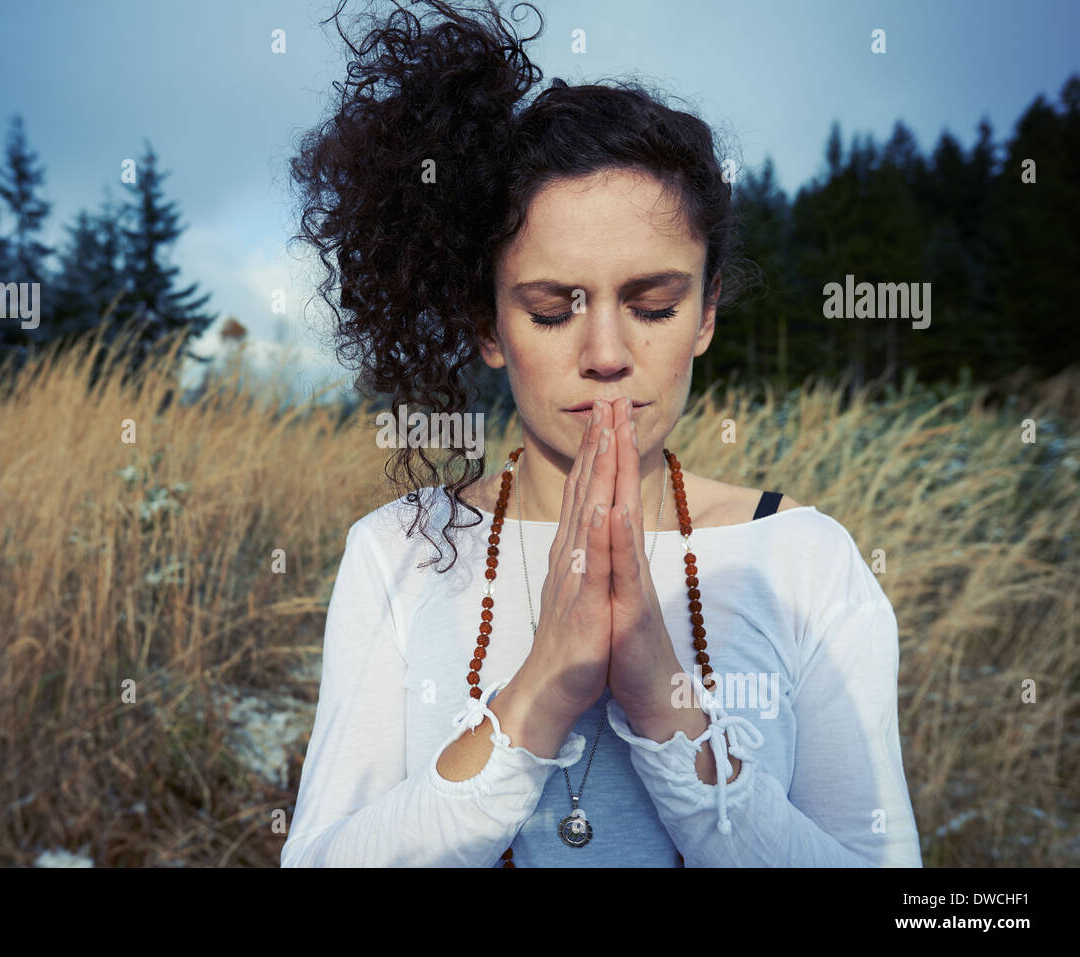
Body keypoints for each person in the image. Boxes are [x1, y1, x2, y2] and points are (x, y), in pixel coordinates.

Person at [280, 0, 922, 867]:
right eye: (552, 311)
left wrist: (664, 703)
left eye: (654, 305)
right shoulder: (396, 552)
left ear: (706, 313)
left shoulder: (807, 562)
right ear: (487, 325)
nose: (607, 354)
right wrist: (542, 688)